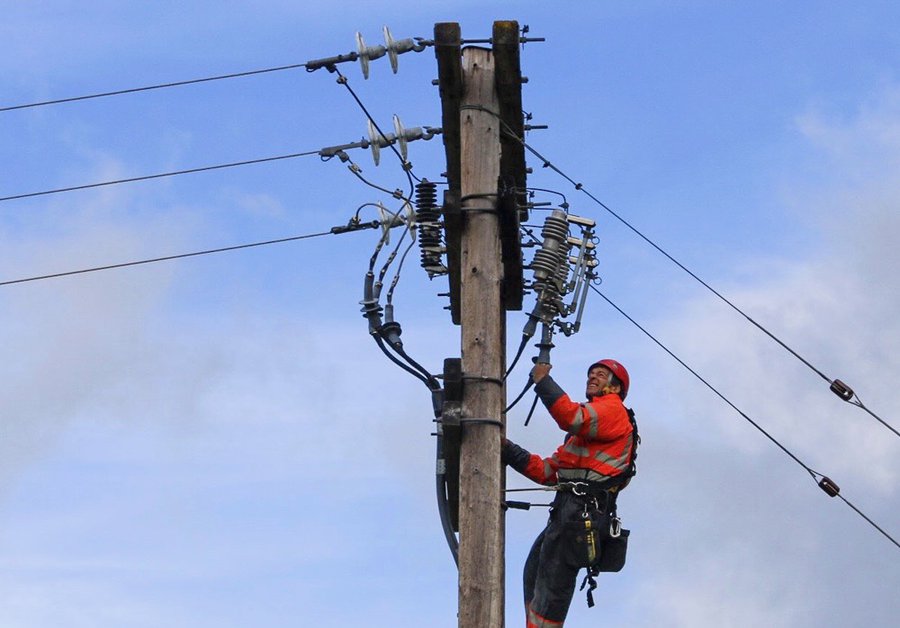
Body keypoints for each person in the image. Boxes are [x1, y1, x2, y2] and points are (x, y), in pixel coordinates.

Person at [502, 359, 637, 628]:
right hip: (568, 512)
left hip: (581, 513)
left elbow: (571, 417)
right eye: (590, 373)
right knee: (535, 573)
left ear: (616, 387)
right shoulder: (582, 437)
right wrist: (508, 450)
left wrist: (543, 382)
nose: (593, 377)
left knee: (552, 588)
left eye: (601, 374)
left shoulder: (613, 410)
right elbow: (548, 472)